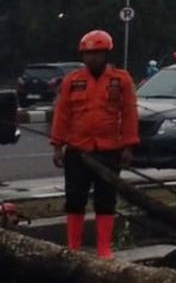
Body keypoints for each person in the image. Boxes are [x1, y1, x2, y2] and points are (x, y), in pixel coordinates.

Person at [50, 29, 139, 259]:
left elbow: (129, 114)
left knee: (106, 199)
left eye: (97, 53)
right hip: (77, 150)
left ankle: (104, 249)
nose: (92, 58)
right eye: (88, 54)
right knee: (74, 198)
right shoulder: (72, 81)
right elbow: (62, 114)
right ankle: (73, 248)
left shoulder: (121, 80)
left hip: (109, 151)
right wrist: (57, 146)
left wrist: (128, 147)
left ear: (106, 54)